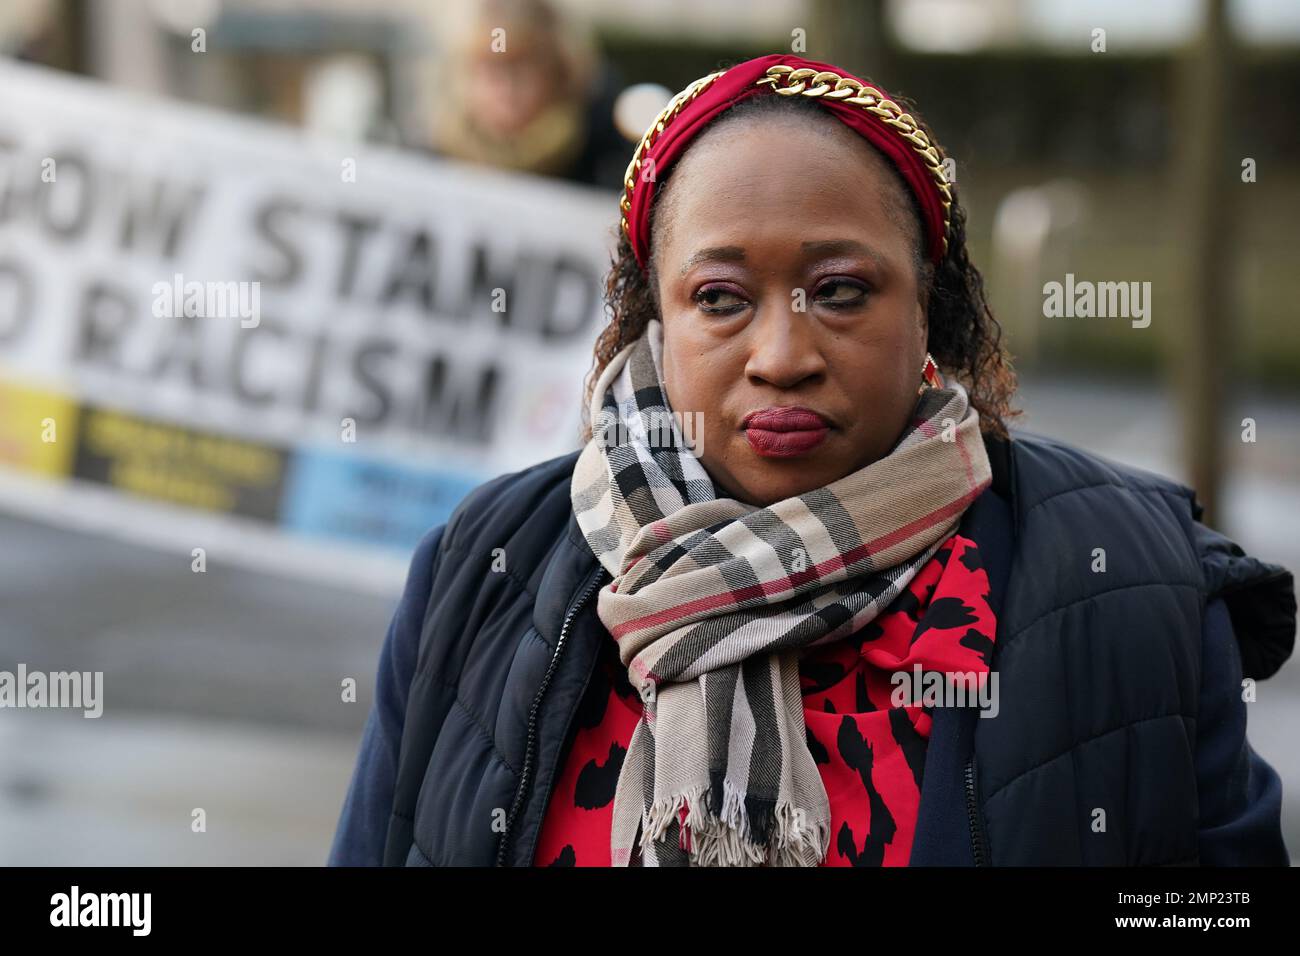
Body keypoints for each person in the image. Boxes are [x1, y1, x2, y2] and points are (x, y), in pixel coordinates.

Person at [329, 54, 1294, 867]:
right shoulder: (484, 566)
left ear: (928, 307)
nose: (783, 356)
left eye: (840, 291)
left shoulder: (1133, 582)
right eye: (719, 298)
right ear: (652, 321)